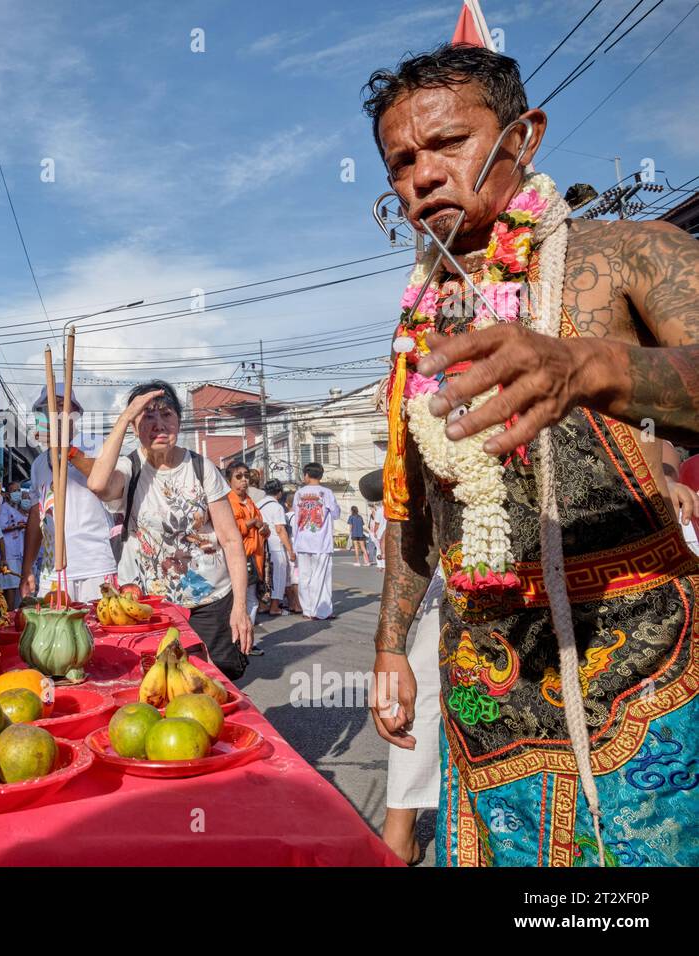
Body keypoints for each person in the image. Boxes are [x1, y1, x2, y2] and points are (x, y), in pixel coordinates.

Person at [366, 45, 699, 866]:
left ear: (526, 134)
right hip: (484, 683)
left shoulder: (631, 253)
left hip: (644, 664)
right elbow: (416, 509)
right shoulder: (418, 323)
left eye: (447, 144)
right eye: (402, 161)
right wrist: (386, 649)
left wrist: (587, 365)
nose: (424, 176)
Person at [88, 381, 252, 680]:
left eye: (166, 414)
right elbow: (98, 484)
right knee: (157, 686)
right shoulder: (130, 468)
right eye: (147, 416)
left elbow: (230, 540)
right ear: (135, 426)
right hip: (149, 608)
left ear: (178, 419)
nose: (159, 424)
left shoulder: (202, 468)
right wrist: (124, 418)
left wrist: (240, 606)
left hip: (209, 603)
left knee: (215, 686)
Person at [21, 384, 117, 603]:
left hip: (95, 565)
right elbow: (37, 516)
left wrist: (69, 449)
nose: (54, 411)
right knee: (55, 634)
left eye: (61, 404)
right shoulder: (38, 465)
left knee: (99, 634)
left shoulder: (96, 445)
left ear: (75, 411)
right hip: (52, 571)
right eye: (48, 407)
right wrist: (27, 568)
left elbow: (103, 481)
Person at [292, 463, 340, 620]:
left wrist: (295, 542)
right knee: (321, 577)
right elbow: (336, 514)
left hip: (302, 540)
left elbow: (296, 518)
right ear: (320, 475)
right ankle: (321, 611)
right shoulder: (326, 492)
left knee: (304, 576)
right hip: (320, 542)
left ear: (306, 475)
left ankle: (308, 610)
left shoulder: (299, 494)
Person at [225, 460, 266, 628]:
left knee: (251, 600)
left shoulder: (250, 502)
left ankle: (247, 640)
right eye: (239, 476)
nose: (244, 480)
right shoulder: (227, 501)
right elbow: (228, 529)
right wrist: (251, 522)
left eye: (246, 476)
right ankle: (239, 640)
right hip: (237, 558)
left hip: (254, 557)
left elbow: (261, 525)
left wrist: (264, 528)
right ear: (229, 481)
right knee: (237, 600)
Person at [260, 479, 295, 616]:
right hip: (275, 545)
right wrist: (290, 550)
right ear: (279, 493)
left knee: (264, 577)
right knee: (278, 576)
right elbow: (280, 529)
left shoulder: (258, 505)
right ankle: (275, 607)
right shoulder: (277, 507)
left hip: (262, 545)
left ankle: (262, 605)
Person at [0, 482, 27, 609]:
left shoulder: (14, 509)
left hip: (17, 553)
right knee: (10, 586)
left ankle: (14, 611)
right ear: (8, 494)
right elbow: (1, 528)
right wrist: (17, 526)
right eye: (14, 490)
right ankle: (9, 613)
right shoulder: (4, 508)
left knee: (15, 585)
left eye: (19, 490)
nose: (17, 493)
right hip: (8, 554)